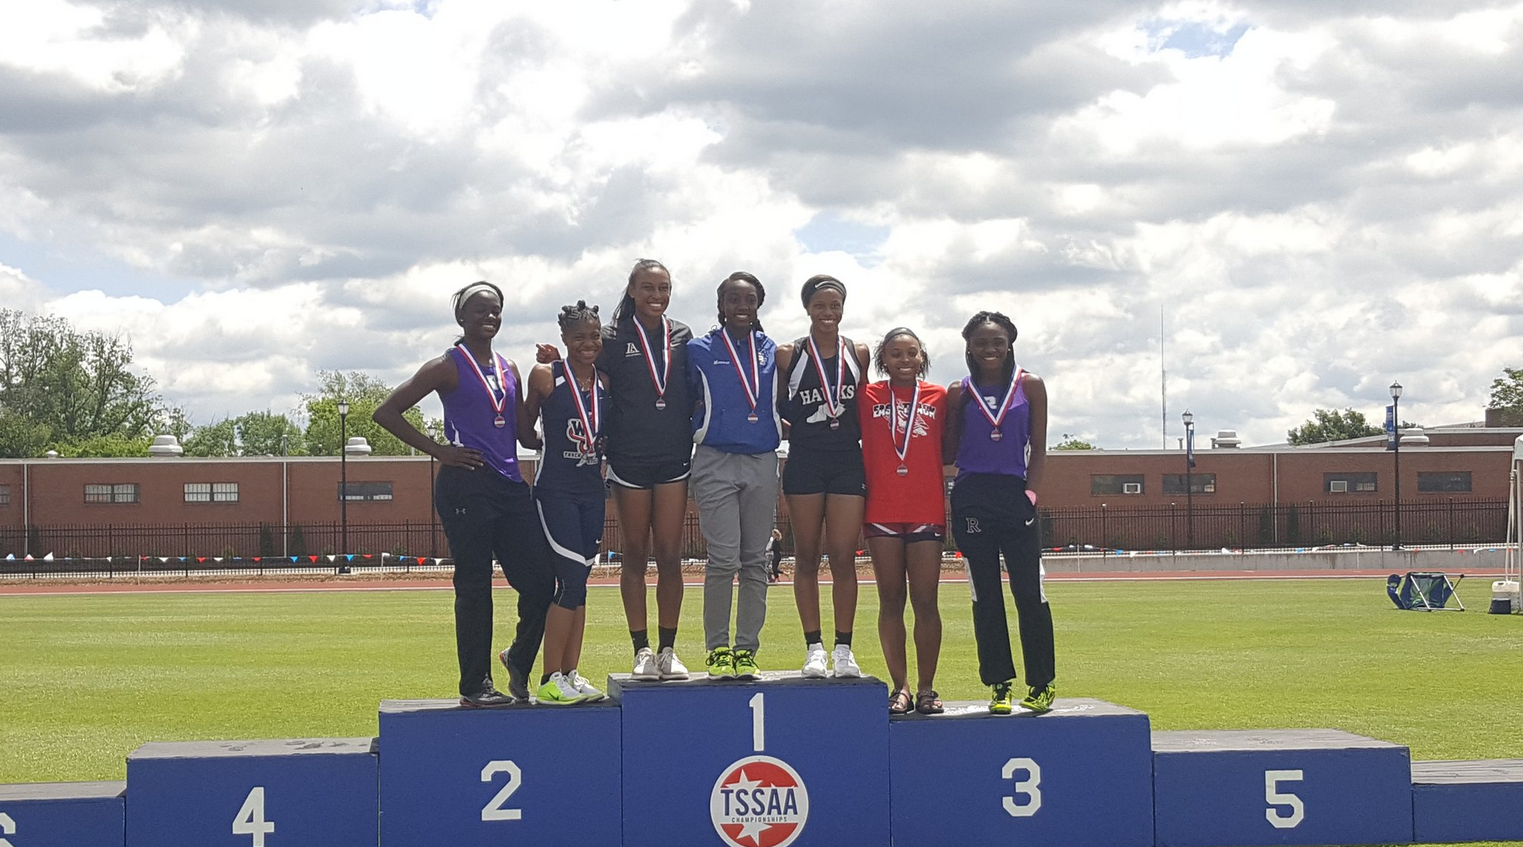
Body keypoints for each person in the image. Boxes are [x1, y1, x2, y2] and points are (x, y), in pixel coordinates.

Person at [373, 281, 554, 708]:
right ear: (461, 318)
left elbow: (526, 436)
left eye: (496, 311)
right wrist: (439, 450)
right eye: (480, 311)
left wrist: (550, 385)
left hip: (510, 485)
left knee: (542, 582)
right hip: (466, 483)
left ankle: (518, 657)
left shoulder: (509, 367)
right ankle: (476, 685)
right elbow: (386, 412)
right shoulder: (446, 365)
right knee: (475, 587)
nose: (489, 317)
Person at [541, 260, 695, 681]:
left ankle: (668, 649)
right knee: (634, 554)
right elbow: (584, 370)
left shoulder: (682, 335)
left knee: (670, 555)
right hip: (628, 459)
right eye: (647, 287)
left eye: (663, 287)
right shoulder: (610, 337)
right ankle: (641, 650)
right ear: (631, 290)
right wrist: (557, 358)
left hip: (673, 458)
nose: (656, 295)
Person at [946, 311, 1056, 714]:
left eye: (997, 342)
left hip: (1015, 494)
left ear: (1010, 343)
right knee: (985, 595)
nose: (989, 349)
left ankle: (1041, 683)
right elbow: (947, 448)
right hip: (973, 494)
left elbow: (1039, 446)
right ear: (969, 347)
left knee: (1030, 592)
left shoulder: (1030, 385)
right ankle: (999, 684)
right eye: (981, 343)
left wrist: (1030, 493)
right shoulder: (959, 391)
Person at [687, 272, 781, 680]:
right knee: (723, 559)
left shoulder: (772, 350)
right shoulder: (698, 350)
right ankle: (717, 650)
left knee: (756, 561)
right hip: (715, 459)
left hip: (762, 458)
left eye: (750, 299)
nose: (742, 306)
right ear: (721, 305)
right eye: (733, 299)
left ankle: (746, 650)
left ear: (759, 304)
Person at [776, 275, 868, 679]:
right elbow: (777, 411)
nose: (828, 313)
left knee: (845, 557)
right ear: (807, 308)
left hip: (848, 460)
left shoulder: (858, 352)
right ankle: (814, 647)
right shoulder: (789, 354)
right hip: (805, 462)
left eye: (835, 306)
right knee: (808, 556)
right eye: (820, 306)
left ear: (843, 308)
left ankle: (844, 648)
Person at [523, 301, 611, 705]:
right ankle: (548, 678)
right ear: (564, 339)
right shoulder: (546, 376)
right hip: (555, 489)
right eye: (579, 337)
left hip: (592, 491)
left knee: (582, 587)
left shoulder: (606, 383)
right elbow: (526, 433)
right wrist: (544, 443)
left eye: (594, 335)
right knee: (570, 581)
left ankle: (571, 673)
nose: (588, 343)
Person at [859, 327, 948, 715]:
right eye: (896, 353)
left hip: (926, 508)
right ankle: (902, 687)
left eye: (912, 353)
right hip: (881, 509)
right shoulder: (867, 396)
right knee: (890, 599)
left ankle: (927, 688)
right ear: (883, 359)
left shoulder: (939, 397)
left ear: (922, 357)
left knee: (926, 600)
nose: (905, 360)